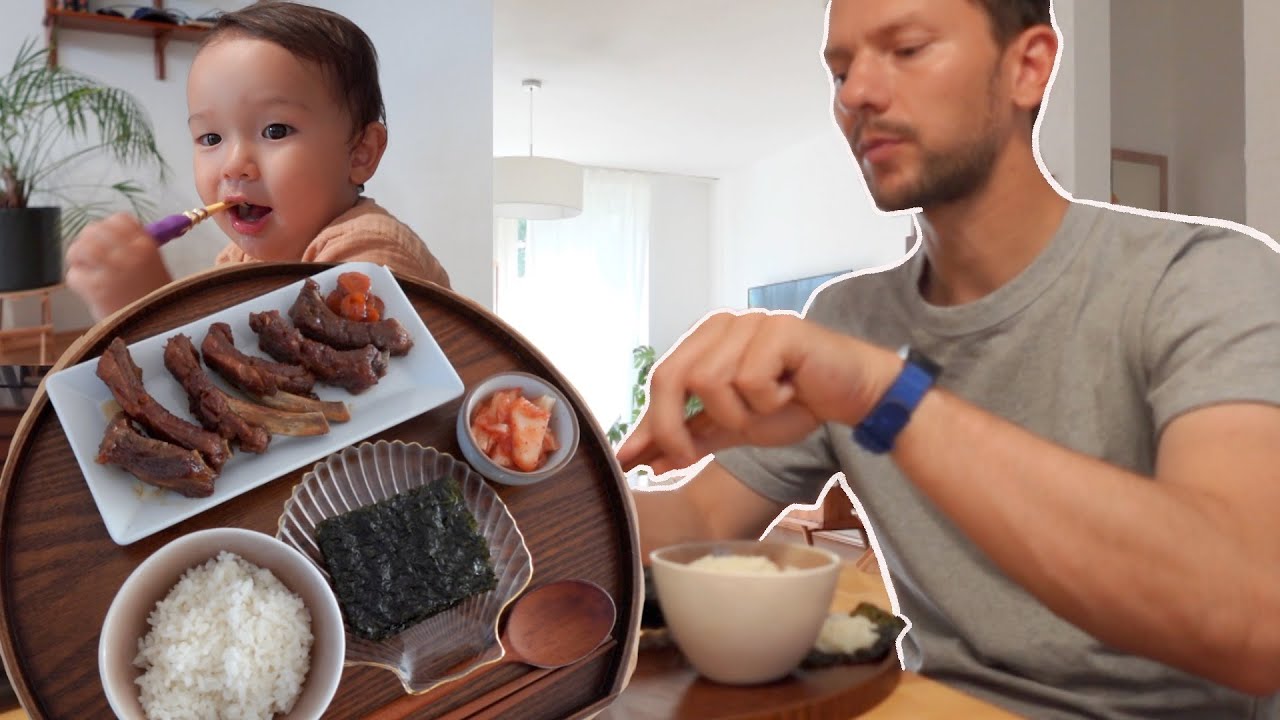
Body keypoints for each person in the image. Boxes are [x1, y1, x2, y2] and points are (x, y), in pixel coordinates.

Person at [618, 1, 1280, 718]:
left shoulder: (1205, 277)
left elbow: (1248, 623)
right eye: (840, 70)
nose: (855, 94)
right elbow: (697, 516)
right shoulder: (851, 318)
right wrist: (532, 482)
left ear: (1028, 67)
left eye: (905, 49)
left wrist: (883, 396)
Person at [65, 1, 451, 321]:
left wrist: (149, 310)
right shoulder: (238, 261)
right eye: (211, 138)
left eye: (275, 131)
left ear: (360, 152)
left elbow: (329, 397)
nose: (234, 165)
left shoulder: (367, 255)